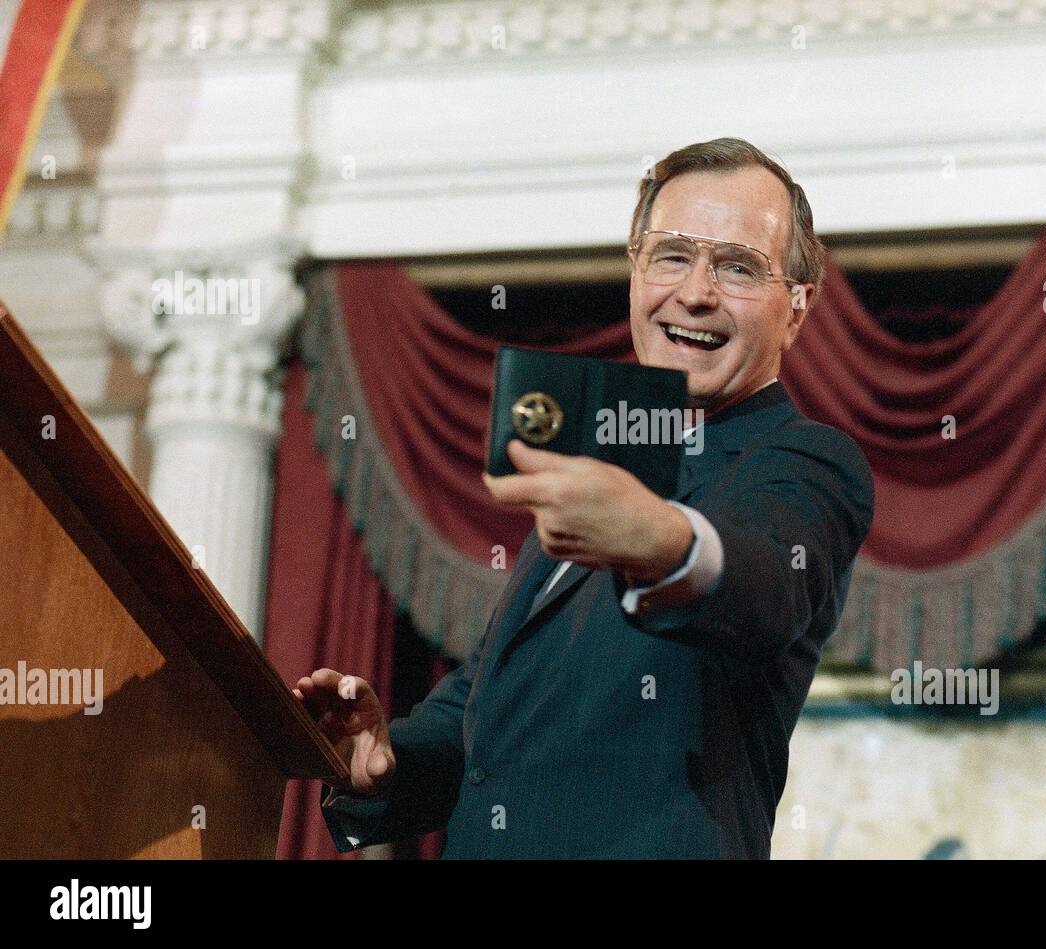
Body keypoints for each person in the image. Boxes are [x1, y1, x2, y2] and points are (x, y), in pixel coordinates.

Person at [294, 137, 874, 858]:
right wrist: (384, 764)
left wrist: (660, 541)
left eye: (737, 266)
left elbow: (757, 586)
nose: (695, 291)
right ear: (635, 271)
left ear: (796, 307)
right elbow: (489, 711)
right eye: (671, 255)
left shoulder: (805, 461)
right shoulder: (603, 468)